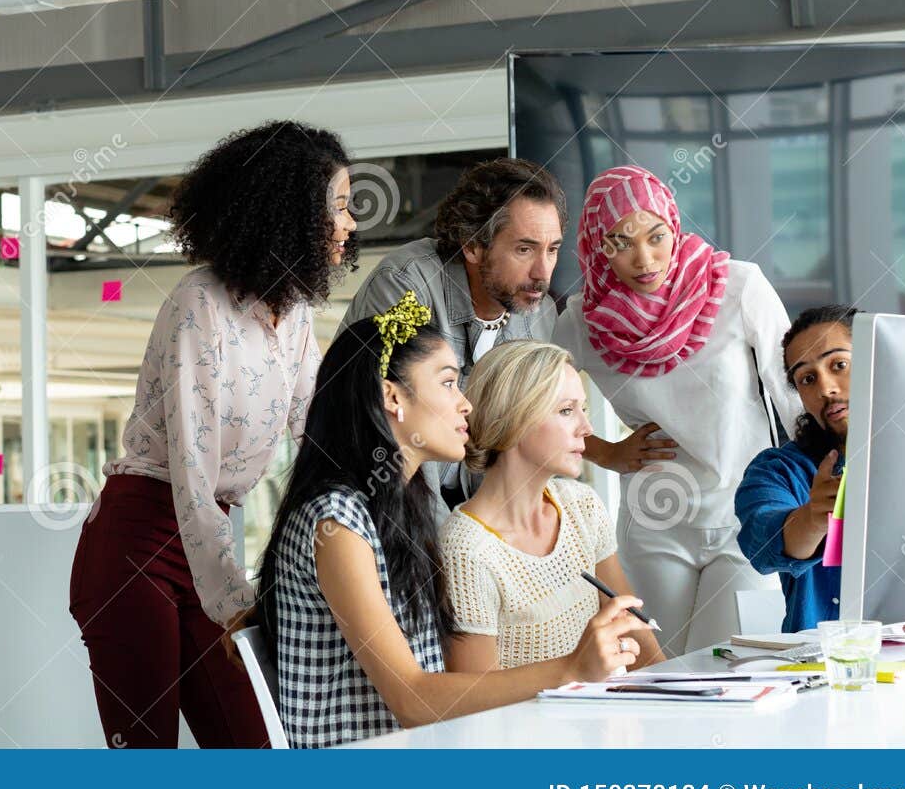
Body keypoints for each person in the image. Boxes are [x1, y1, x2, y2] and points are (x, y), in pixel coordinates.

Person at [69, 120, 358, 749]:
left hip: (208, 539)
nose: (350, 224)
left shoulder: (295, 313)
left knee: (252, 747)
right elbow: (193, 471)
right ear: (290, 213)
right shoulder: (198, 303)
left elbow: (320, 434)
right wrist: (233, 600)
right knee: (148, 760)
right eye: (338, 206)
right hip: (137, 541)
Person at [257, 293, 646, 749]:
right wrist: (571, 669)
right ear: (393, 397)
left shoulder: (398, 505)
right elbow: (412, 700)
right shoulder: (338, 521)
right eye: (447, 383)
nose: (465, 405)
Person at [553, 164, 801, 654]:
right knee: (657, 673)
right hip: (654, 524)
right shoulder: (583, 319)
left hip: (747, 516)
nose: (645, 259)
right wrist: (604, 452)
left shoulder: (738, 286)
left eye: (656, 236)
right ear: (598, 247)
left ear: (674, 226)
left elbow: (793, 393)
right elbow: (530, 404)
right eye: (620, 242)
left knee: (734, 668)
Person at [735, 305, 905, 632]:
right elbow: (763, 545)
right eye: (807, 379)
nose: (825, 389)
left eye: (839, 365)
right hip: (833, 660)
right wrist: (812, 518)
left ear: (882, 363)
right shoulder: (779, 470)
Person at [339, 157, 567, 506]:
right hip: (380, 495)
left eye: (552, 250)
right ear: (472, 245)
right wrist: (453, 538)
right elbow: (394, 432)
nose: (542, 272)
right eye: (524, 249)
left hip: (469, 502)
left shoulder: (539, 316)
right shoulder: (406, 285)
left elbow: (521, 442)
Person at [442, 339, 665, 686]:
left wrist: (683, 692)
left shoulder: (582, 506)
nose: (586, 428)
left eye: (583, 409)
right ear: (514, 419)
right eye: (566, 411)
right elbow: (474, 701)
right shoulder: (465, 550)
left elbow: (635, 632)